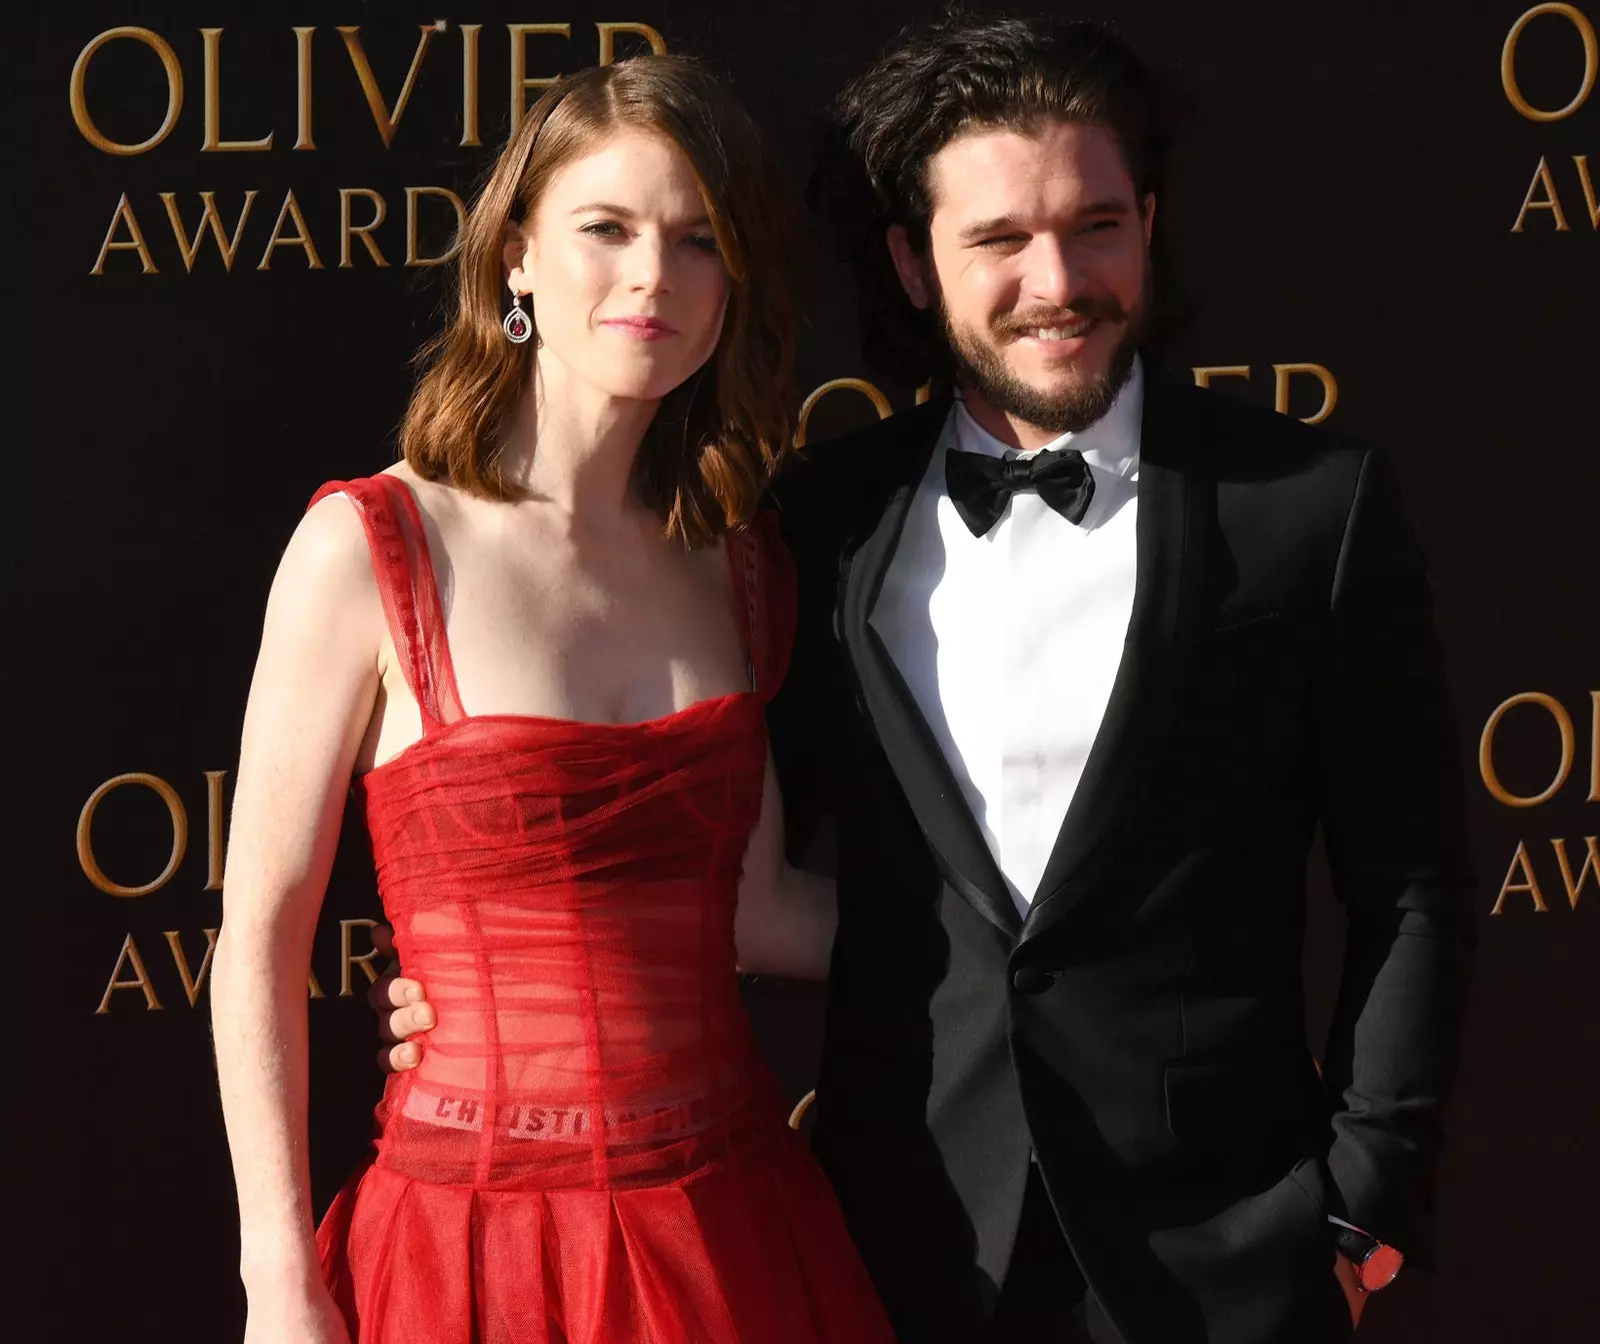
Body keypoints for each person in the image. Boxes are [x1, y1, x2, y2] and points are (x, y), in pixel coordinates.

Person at [372, 15, 1477, 1344]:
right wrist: (504, 991)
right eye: (1000, 241)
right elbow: (697, 847)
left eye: (1098, 225)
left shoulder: (1311, 508)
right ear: (912, 262)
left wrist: (1361, 1211)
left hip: (1225, 1265)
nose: (1057, 279)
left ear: (1150, 225)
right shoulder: (809, 530)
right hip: (894, 1256)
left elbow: (1411, 887)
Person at [210, 55, 895, 1344]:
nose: (654, 275)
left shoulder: (743, 568)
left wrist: (1046, 940)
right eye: (607, 229)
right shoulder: (373, 545)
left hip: (733, 1239)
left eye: (699, 240)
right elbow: (259, 939)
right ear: (516, 255)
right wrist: (278, 1281)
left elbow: (760, 916)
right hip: (472, 1252)